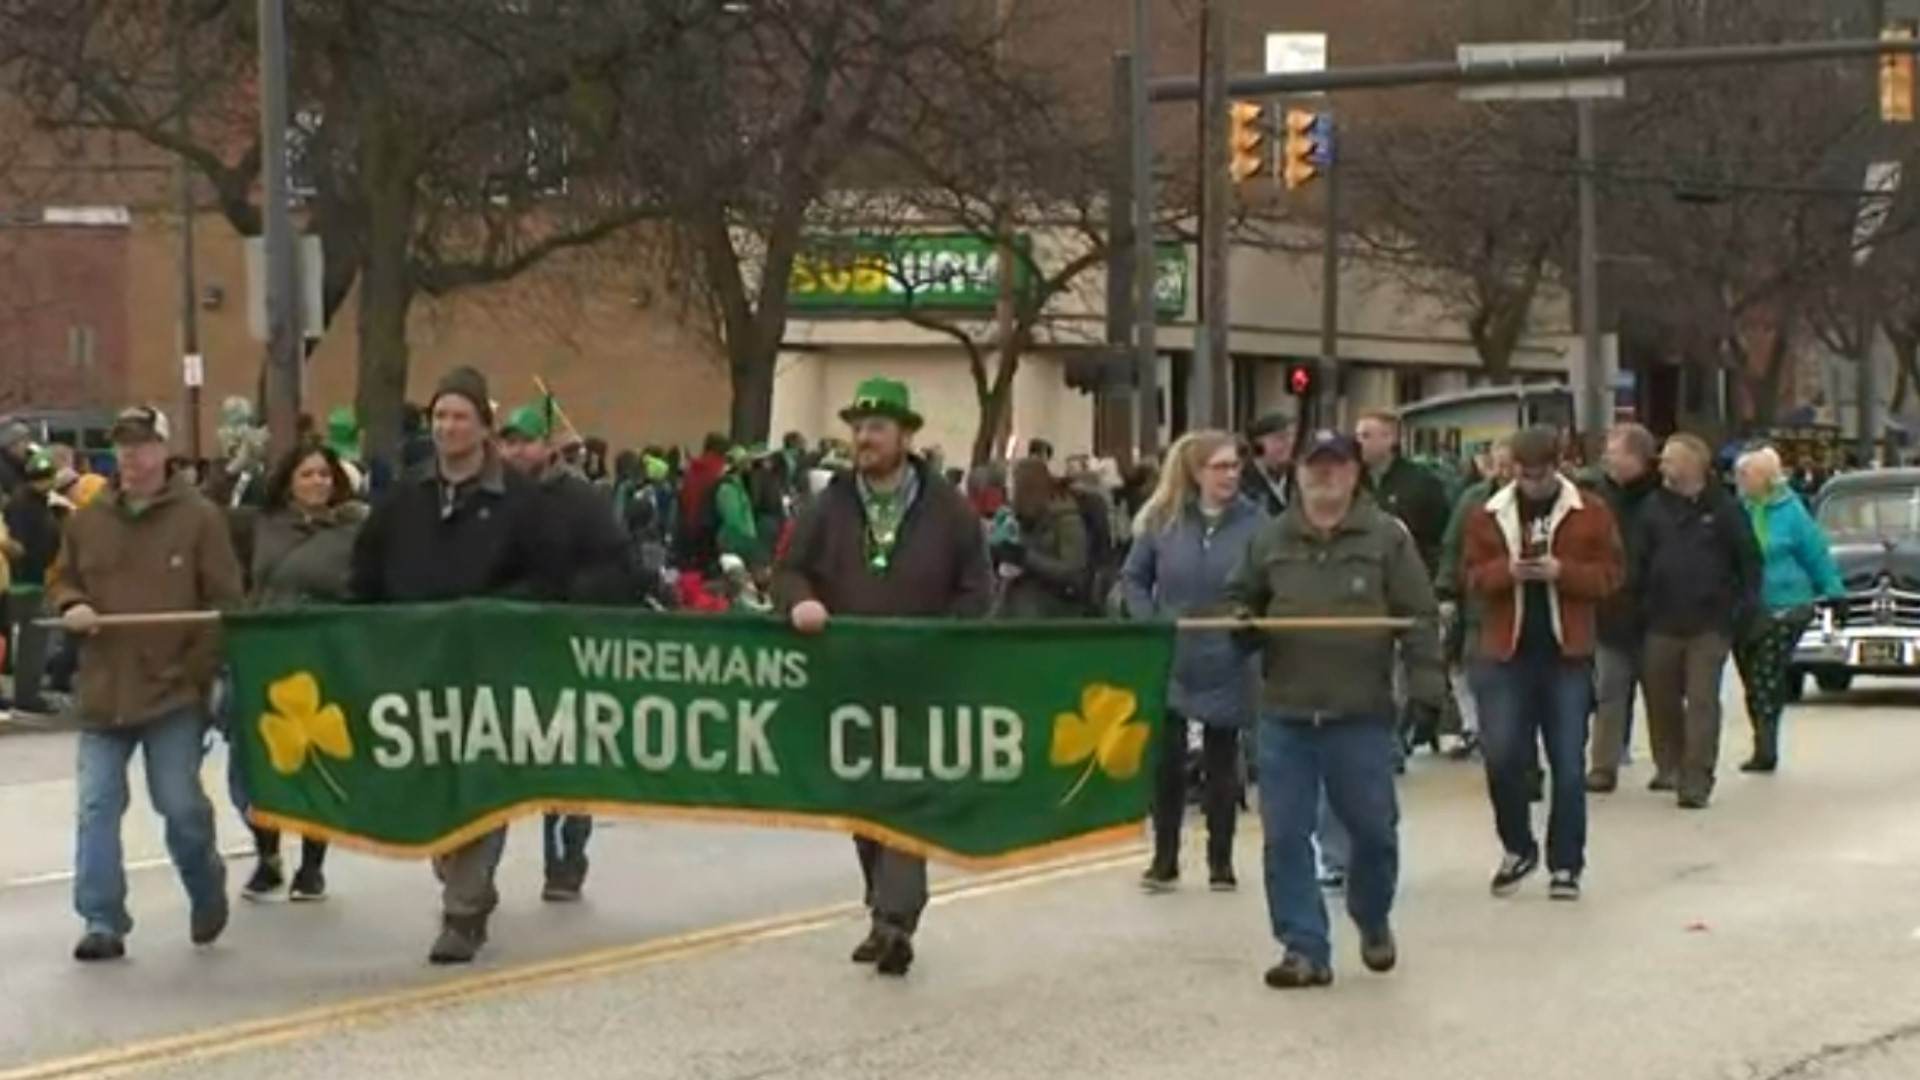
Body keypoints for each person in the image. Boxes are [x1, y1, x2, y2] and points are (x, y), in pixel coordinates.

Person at [772, 377, 991, 978]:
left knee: (907, 796)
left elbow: (978, 589)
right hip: (849, 675)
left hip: (922, 677)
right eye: (858, 428)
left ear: (906, 435)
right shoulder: (832, 503)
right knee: (863, 799)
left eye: (877, 428)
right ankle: (881, 908)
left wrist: (944, 637)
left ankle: (896, 919)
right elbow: (789, 571)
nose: (864, 439)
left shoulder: (949, 509)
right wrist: (799, 603)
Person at [350, 367, 559, 964]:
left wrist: (495, 612)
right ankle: (457, 870)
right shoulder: (405, 499)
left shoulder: (521, 502)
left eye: (460, 416)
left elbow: (548, 578)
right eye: (440, 416)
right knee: (435, 786)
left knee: (480, 783)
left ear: (484, 428)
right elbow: (366, 574)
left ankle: (464, 913)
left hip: (489, 666)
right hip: (417, 667)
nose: (447, 427)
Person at [1222, 429, 1444, 990]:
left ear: (1354, 473)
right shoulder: (1270, 539)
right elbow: (1239, 599)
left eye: (1337, 466)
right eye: (1314, 467)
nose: (1325, 477)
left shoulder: (1386, 538)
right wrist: (1241, 624)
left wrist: (1426, 687)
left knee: (1373, 832)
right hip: (1286, 713)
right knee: (1285, 836)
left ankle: (1371, 916)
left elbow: (1418, 616)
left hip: (1359, 713)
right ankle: (1303, 947)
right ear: (1297, 473)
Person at [50, 405, 245, 962]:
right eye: (122, 446)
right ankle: (101, 918)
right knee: (96, 806)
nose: (131, 457)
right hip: (104, 687)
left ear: (164, 450)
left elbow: (224, 604)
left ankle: (206, 887)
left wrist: (196, 671)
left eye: (141, 445)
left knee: (179, 804)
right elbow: (62, 578)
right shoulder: (89, 517)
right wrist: (73, 603)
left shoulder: (200, 517)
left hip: (172, 692)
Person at [1460, 426, 1623, 901]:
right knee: (1503, 755)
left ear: (1560, 466)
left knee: (1569, 764)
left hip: (1565, 654)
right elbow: (1467, 574)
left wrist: (1564, 574)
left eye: (1540, 473)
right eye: (1523, 474)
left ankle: (1566, 864)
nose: (1532, 483)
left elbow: (1613, 574)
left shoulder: (1589, 512)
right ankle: (1517, 846)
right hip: (1503, 652)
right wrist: (1503, 573)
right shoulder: (1488, 514)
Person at [499, 402, 633, 901]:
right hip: (503, 643)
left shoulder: (582, 501)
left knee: (562, 752)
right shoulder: (490, 497)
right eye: (507, 441)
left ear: (549, 446)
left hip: (564, 643)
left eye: (524, 441)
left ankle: (565, 856)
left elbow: (619, 566)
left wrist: (564, 597)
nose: (514, 451)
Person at [1122, 431, 1264, 892]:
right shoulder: (1163, 522)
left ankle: (1220, 860)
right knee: (1168, 760)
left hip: (1227, 649)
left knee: (1222, 760)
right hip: (1173, 649)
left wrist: (1249, 622)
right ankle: (1164, 858)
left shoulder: (1257, 523)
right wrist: (1150, 621)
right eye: (1219, 466)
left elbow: (1269, 580)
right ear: (1197, 472)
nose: (1229, 475)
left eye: (1234, 466)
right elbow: (1134, 578)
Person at [238, 440, 367, 902]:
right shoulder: (264, 526)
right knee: (261, 763)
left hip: (324, 653)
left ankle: (312, 867)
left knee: (316, 760)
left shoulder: (354, 529)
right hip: (268, 653)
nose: (317, 483)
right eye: (307, 475)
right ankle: (267, 856)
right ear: (289, 482)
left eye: (324, 475)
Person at [1636, 433, 1762, 810]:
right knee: (1661, 701)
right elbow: (1637, 562)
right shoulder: (1653, 508)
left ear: (1693, 465)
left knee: (1703, 702)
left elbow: (1749, 561)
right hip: (1660, 621)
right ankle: (1670, 765)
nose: (1662, 466)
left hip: (1709, 623)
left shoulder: (1723, 508)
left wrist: (1741, 609)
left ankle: (1696, 779)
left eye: (1670, 460)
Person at [1732, 446, 1842, 774]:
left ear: (1765, 478)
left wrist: (1834, 591)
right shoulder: (1740, 510)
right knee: (1751, 676)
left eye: (1746, 475)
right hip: (1746, 606)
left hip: (1787, 605)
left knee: (1766, 673)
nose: (1740, 481)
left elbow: (1816, 552)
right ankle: (1761, 731)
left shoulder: (1792, 512)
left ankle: (1766, 745)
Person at [1584, 424, 1662, 793]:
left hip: (1656, 611)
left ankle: (1670, 765)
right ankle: (1603, 766)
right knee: (1608, 693)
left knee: (1661, 694)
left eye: (1614, 451)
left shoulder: (1662, 497)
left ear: (1636, 457)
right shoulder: (1596, 496)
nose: (1606, 458)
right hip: (1610, 609)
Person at [1354, 410, 1451, 575]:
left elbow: (1438, 537)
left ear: (1389, 438)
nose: (1358, 442)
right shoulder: (1351, 481)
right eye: (1357, 436)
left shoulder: (1421, 483)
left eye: (1365, 436)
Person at [991, 457, 1089, 619]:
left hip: (1054, 613)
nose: (1015, 496)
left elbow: (1075, 573)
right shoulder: (1019, 518)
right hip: (1015, 608)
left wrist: (1026, 557)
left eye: (1019, 489)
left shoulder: (1066, 520)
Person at [1240, 413, 1296, 516]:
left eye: (1291, 437)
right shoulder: (1242, 482)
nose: (1289, 443)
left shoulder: (1298, 478)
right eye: (1280, 438)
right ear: (1258, 444)